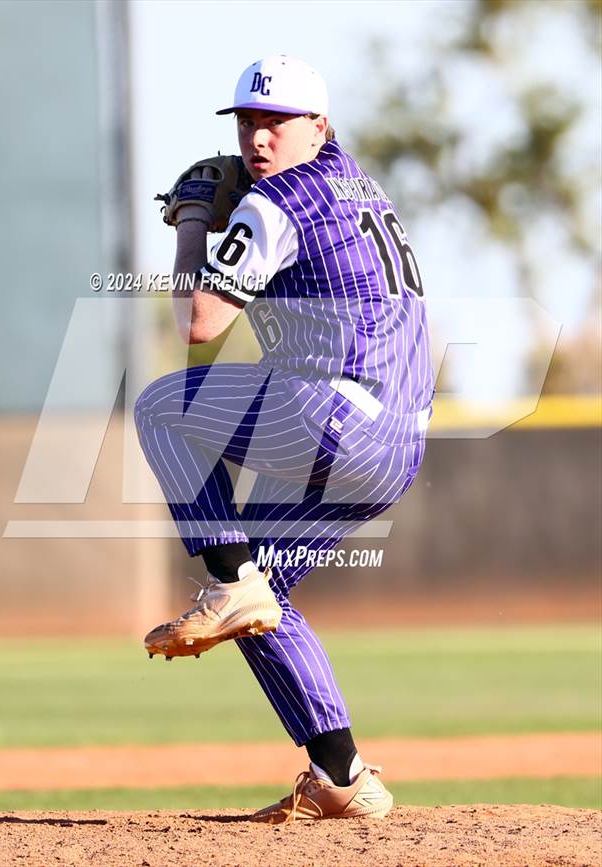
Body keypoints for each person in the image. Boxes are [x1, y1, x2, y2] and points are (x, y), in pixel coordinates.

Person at [134, 55, 434, 824]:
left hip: (337, 415)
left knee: (162, 407)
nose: (258, 138)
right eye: (247, 122)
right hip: (397, 444)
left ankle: (228, 576)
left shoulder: (280, 202)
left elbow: (199, 325)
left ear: (319, 126)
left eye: (277, 121)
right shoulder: (359, 185)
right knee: (265, 597)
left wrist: (194, 226)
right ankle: (343, 776)